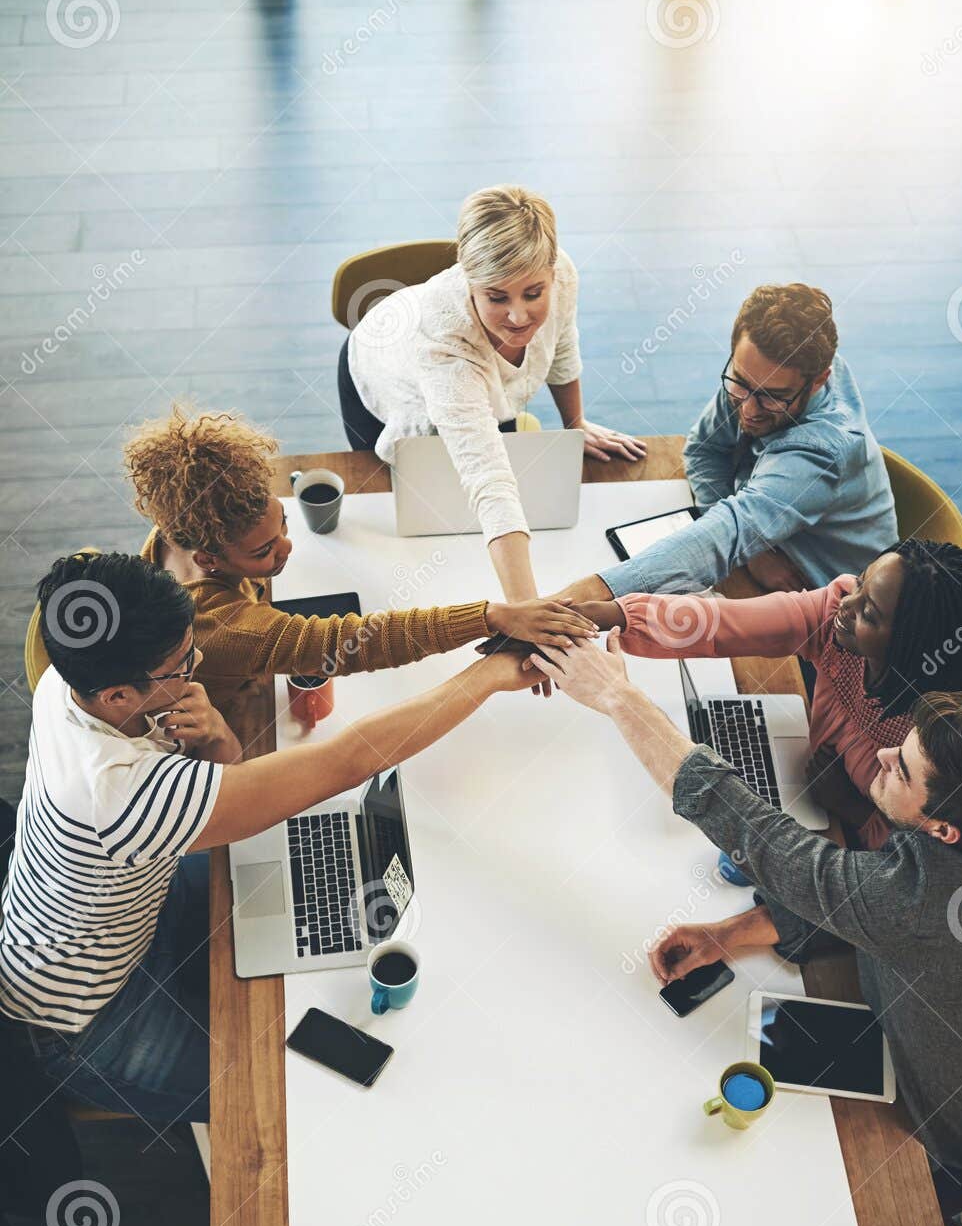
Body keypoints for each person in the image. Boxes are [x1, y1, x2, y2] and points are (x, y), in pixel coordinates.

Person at [0, 554, 542, 1127]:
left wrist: (214, 734)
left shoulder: (68, 675)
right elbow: (349, 760)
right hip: (85, 1015)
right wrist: (489, 676)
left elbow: (228, 773)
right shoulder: (123, 797)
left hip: (120, 908)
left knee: (301, 892)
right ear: (116, 697)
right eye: (182, 664)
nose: (198, 663)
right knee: (280, 1104)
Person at [529, 633, 962, 1224]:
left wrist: (617, 696)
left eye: (901, 769)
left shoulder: (914, 904)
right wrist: (729, 935)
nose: (884, 756)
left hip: (935, 1146)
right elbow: (878, 914)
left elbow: (752, 830)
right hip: (942, 1038)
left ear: (943, 830)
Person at [126, 406, 595, 712]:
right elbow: (356, 643)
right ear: (208, 558)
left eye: (283, 526)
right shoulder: (225, 629)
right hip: (238, 717)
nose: (286, 549)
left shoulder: (176, 527)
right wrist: (492, 615)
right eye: (263, 551)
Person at [578, 538, 962, 851]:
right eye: (860, 583)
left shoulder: (929, 744)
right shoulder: (836, 617)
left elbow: (913, 866)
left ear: (914, 646)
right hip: (810, 781)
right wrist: (594, 616)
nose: (844, 604)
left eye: (869, 613)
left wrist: (849, 808)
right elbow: (716, 622)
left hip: (841, 849)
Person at [339, 184, 647, 605]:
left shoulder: (563, 274)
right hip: (385, 375)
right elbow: (489, 480)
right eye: (497, 297)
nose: (519, 316)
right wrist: (527, 616)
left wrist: (575, 425)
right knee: (421, 510)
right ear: (469, 279)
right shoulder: (443, 344)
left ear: (552, 271)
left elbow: (561, 345)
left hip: (468, 378)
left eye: (533, 294)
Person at [555, 283, 898, 606]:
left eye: (771, 398)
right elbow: (704, 449)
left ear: (818, 380)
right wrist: (756, 548)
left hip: (831, 603)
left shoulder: (822, 452)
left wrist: (593, 590)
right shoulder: (769, 374)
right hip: (771, 553)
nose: (747, 410)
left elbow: (726, 536)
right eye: (740, 382)